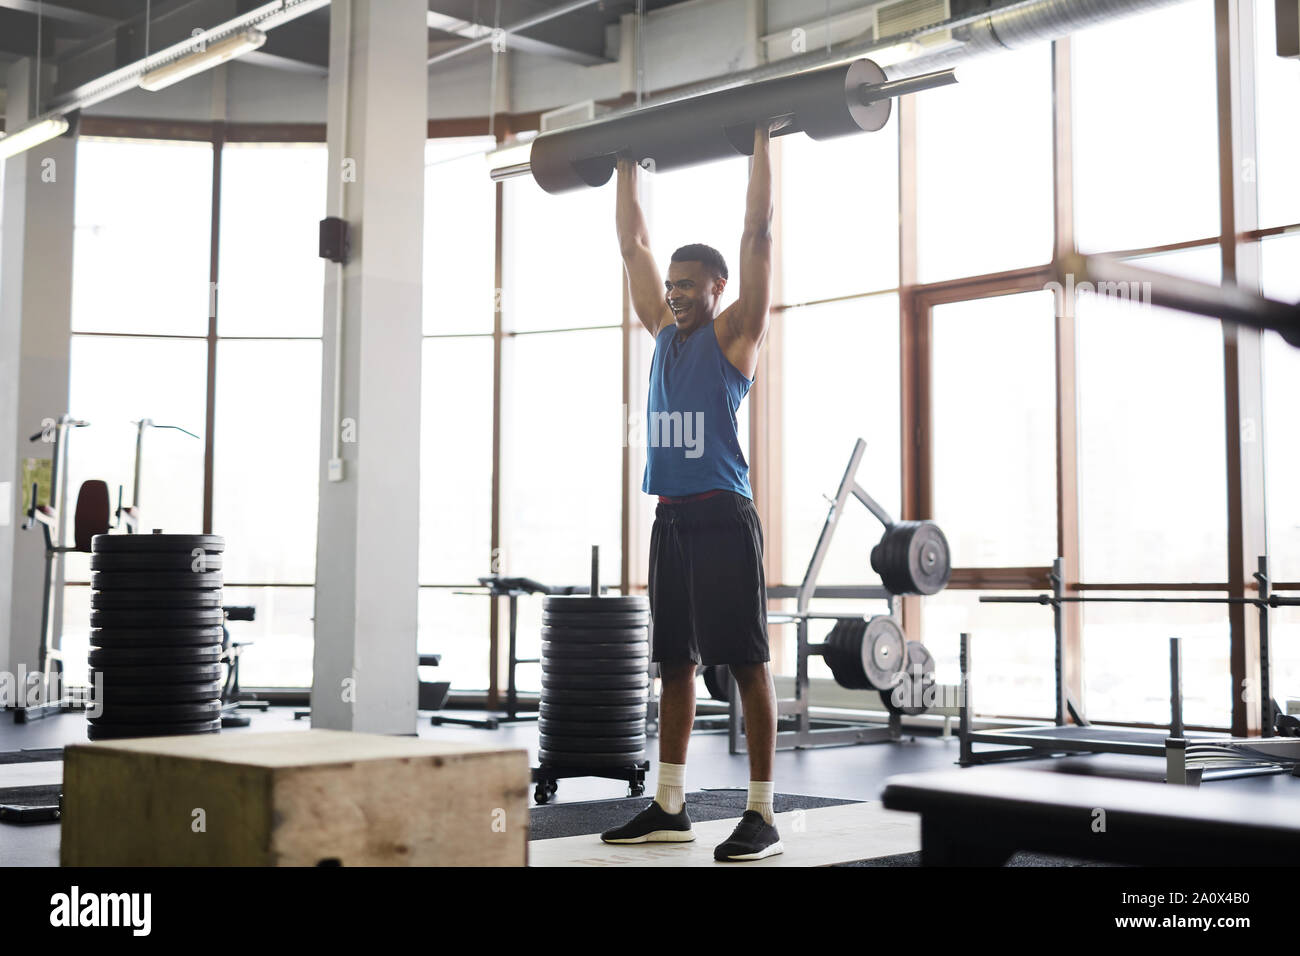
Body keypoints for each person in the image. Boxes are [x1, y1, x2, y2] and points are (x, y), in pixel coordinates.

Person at [600, 122, 782, 862]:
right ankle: (670, 806)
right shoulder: (662, 332)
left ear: (718, 290)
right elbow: (632, 246)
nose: (674, 294)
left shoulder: (735, 336)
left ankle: (762, 814)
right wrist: (622, 164)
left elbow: (758, 232)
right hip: (670, 521)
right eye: (671, 286)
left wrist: (763, 140)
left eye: (688, 286)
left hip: (722, 519)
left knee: (745, 663)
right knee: (673, 662)